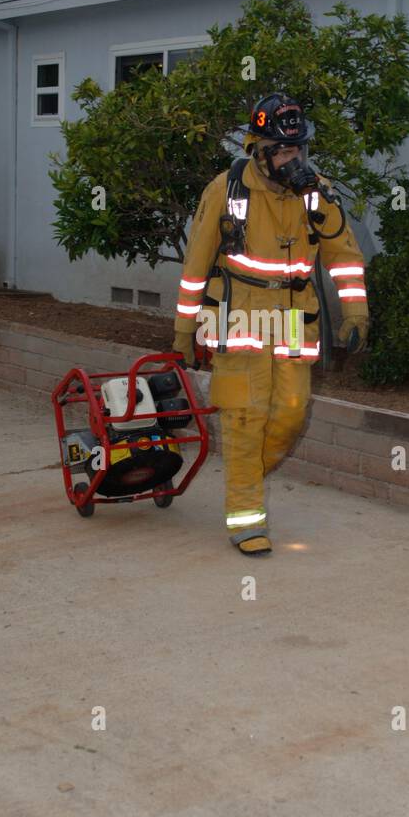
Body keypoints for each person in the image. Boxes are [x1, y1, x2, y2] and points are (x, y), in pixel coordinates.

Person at [172, 94, 369, 555]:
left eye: (296, 150)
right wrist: (184, 331)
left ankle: (245, 477)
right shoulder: (225, 190)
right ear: (257, 149)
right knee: (245, 418)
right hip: (240, 313)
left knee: (291, 414)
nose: (290, 160)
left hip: (296, 318)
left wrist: (355, 312)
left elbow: (344, 255)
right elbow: (196, 265)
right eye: (281, 152)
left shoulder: (314, 192)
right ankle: (246, 520)